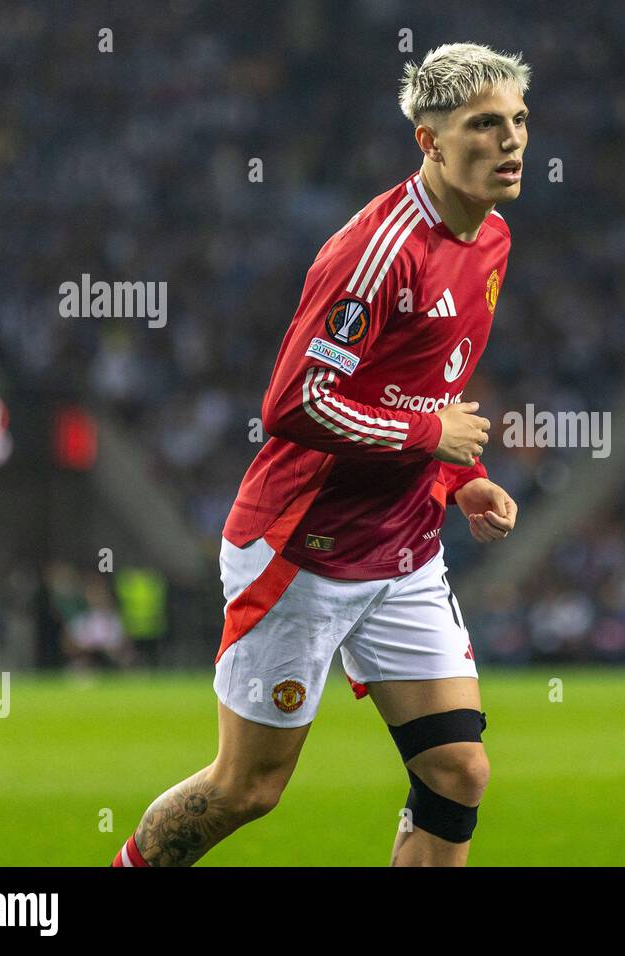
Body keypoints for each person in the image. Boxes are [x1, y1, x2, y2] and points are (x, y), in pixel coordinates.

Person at [112, 42, 526, 867]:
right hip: (303, 548)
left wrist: (461, 476)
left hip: (403, 548)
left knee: (458, 770)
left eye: (517, 120)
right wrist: (429, 440)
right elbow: (293, 405)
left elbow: (424, 387)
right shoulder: (377, 251)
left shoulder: (493, 240)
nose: (510, 140)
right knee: (247, 789)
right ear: (430, 141)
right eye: (484, 124)